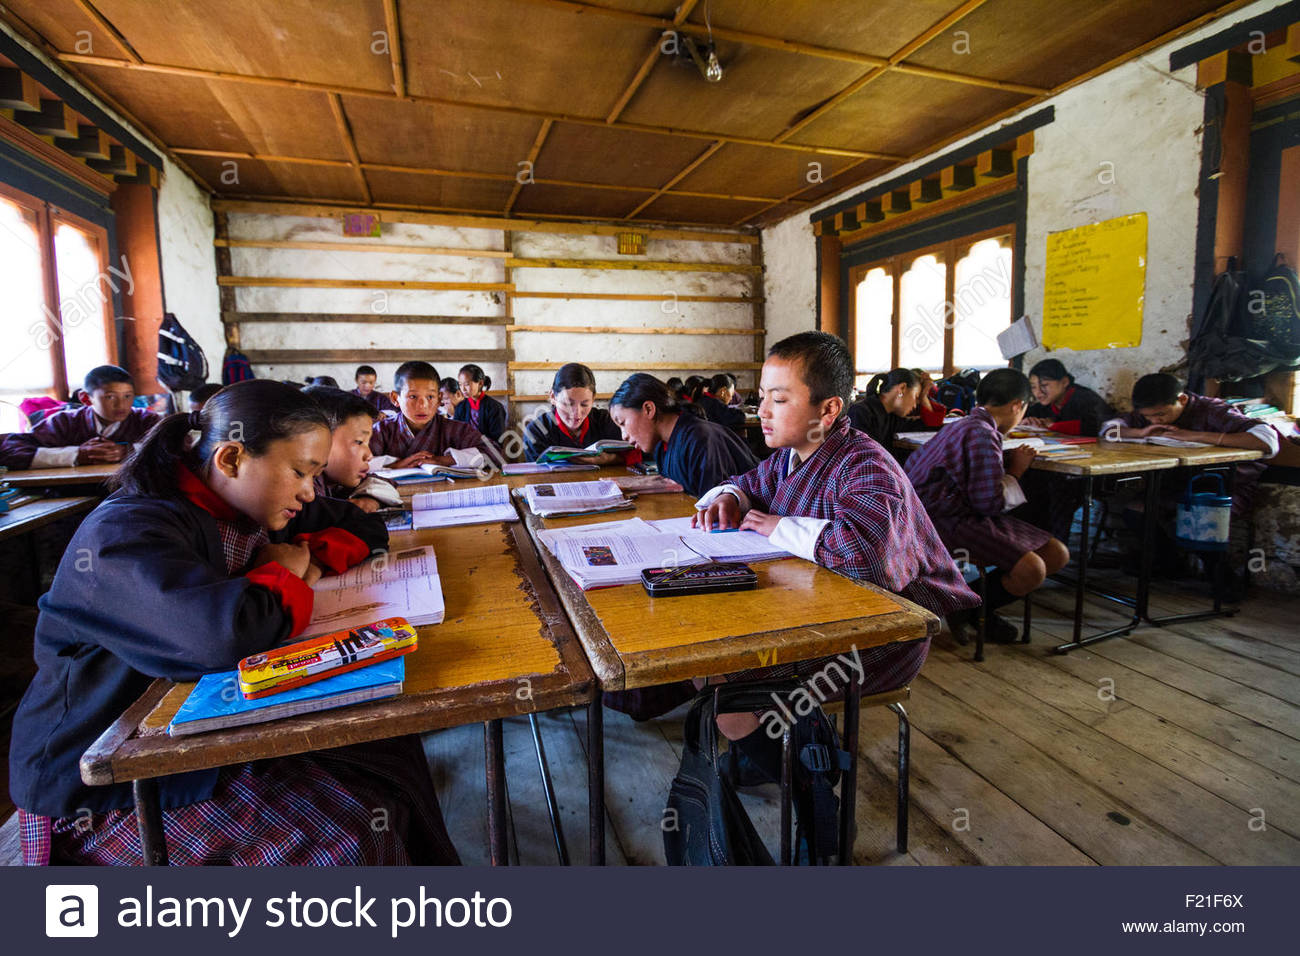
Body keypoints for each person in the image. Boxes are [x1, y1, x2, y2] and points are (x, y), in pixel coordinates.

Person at [8, 380, 458, 865]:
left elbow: (363, 524)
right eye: (300, 473)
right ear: (231, 459)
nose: (310, 492)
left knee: (387, 748)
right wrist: (281, 574)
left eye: (314, 475)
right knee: (347, 842)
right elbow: (222, 636)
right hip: (105, 776)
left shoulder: (254, 503)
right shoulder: (127, 531)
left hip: (201, 726)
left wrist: (309, 558)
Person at [691, 331, 976, 774]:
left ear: (828, 409)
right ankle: (770, 755)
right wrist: (730, 496)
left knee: (729, 699)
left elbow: (868, 559)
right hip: (815, 613)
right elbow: (749, 483)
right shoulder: (791, 455)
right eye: (762, 396)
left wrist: (779, 526)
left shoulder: (864, 464)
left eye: (780, 400)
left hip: (879, 632)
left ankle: (814, 793)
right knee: (703, 661)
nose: (762, 412)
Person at [904, 369, 1070, 643]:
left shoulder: (967, 424)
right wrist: (1016, 470)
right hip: (940, 522)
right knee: (1033, 569)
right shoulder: (981, 433)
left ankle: (972, 609)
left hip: (958, 513)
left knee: (1056, 553)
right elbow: (989, 503)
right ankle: (970, 609)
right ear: (1018, 405)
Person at [1102, 373, 1280, 517]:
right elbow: (1108, 431)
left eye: (1161, 414)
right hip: (1177, 485)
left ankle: (1203, 562)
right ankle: (1167, 561)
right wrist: (1139, 433)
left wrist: (1197, 436)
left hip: (1222, 489)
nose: (1155, 420)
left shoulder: (1212, 410)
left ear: (1183, 399)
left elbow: (1267, 439)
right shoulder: (1149, 414)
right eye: (1148, 417)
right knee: (1136, 512)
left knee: (1197, 518)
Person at [609, 373, 756, 496]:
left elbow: (715, 508)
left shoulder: (700, 440)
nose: (624, 436)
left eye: (622, 423)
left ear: (648, 409)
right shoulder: (662, 446)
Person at [0, 365, 160, 469]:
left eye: (127, 396)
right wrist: (77, 454)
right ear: (85, 398)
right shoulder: (64, 422)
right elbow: (10, 451)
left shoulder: (146, 421)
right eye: (110, 397)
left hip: (128, 495)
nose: (121, 405)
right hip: (70, 494)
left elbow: (174, 447)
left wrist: (128, 451)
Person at [370, 361, 501, 471]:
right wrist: (396, 465)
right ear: (395, 398)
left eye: (430, 397)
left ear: (439, 399)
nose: (423, 405)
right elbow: (356, 463)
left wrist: (445, 460)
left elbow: (494, 453)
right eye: (413, 396)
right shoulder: (382, 430)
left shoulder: (453, 429)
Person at [303, 386, 400, 511]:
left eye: (367, 443)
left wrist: (369, 500)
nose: (369, 455)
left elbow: (381, 481)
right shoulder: (306, 493)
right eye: (359, 442)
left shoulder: (335, 481)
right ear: (318, 441)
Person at [522, 363, 627, 464]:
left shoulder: (606, 421)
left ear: (593, 399)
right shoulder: (536, 431)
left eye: (585, 404)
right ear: (553, 397)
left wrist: (611, 459)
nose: (577, 413)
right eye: (568, 404)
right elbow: (536, 473)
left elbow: (638, 453)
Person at [1022, 358, 1113, 436]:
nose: (1038, 392)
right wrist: (1027, 421)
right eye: (1033, 387)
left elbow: (1096, 427)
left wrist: (1051, 426)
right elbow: (1025, 414)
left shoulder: (1085, 399)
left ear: (1064, 382)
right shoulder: (1047, 403)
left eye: (1044, 385)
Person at [847, 368, 920, 455]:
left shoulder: (890, 416)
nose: (915, 405)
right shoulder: (860, 413)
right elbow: (864, 456)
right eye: (916, 396)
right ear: (902, 388)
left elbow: (921, 426)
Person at [453, 364, 507, 443]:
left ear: (480, 383)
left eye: (467, 384)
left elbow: (498, 439)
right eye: (460, 384)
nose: (463, 389)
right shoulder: (461, 407)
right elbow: (456, 434)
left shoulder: (495, 407)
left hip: (488, 449)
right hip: (465, 448)